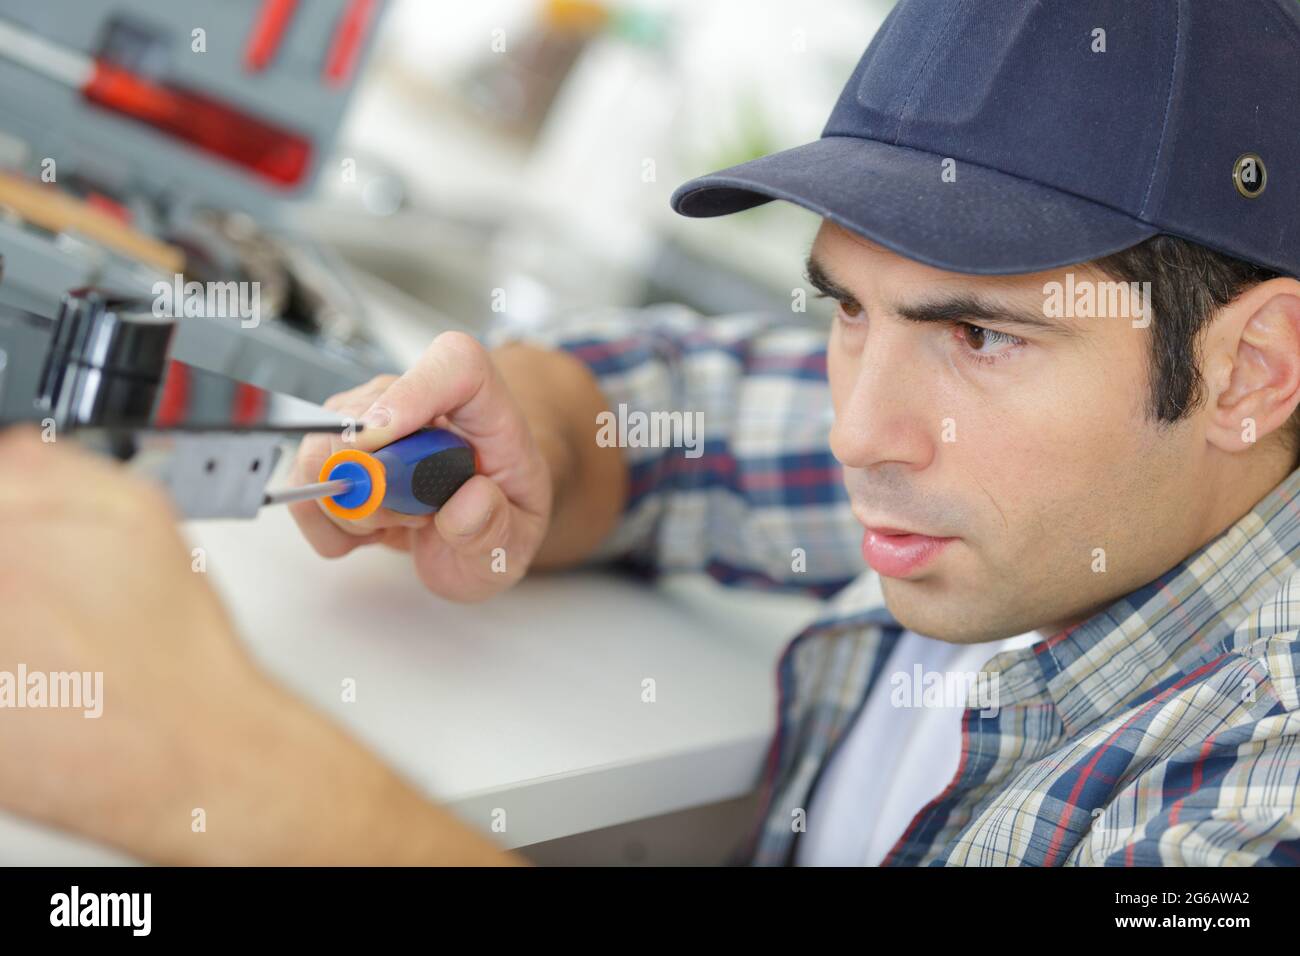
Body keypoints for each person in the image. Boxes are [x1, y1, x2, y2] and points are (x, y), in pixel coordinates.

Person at [2, 0, 1299, 866]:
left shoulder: (1258, 794)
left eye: (981, 338)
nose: (860, 433)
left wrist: (220, 762)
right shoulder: (1025, 477)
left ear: (1250, 372)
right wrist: (538, 447)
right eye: (850, 311)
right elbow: (670, 412)